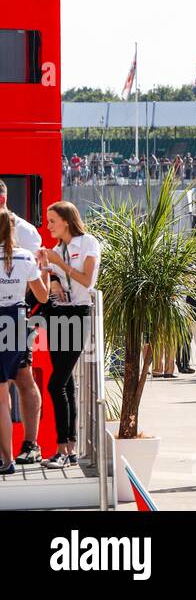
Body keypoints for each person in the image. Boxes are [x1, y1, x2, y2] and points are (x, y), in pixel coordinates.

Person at [35, 200, 101, 469]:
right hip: (57, 315)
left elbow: (88, 281)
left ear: (66, 220)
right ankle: (68, 450)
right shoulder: (55, 249)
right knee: (66, 383)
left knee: (55, 383)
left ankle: (64, 448)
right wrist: (52, 277)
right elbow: (48, 280)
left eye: (52, 221)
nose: (48, 225)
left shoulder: (87, 243)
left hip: (78, 314)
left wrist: (58, 263)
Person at [0, 211, 49, 475]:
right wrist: (45, 270)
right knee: (20, 381)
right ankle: (21, 449)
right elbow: (42, 295)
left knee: (9, 390)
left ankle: (10, 456)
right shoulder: (25, 255)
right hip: (18, 321)